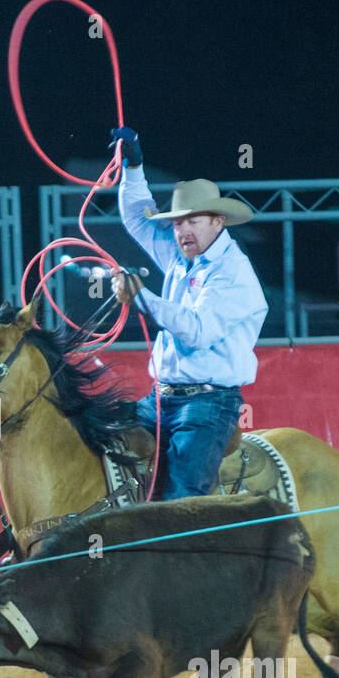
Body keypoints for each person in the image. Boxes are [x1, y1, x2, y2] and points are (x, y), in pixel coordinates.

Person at [108, 126, 267, 499]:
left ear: (218, 221)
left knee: (181, 502)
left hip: (208, 404)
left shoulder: (234, 273)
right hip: (161, 400)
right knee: (97, 439)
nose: (182, 230)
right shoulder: (183, 256)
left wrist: (142, 297)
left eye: (193, 220)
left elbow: (197, 331)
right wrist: (134, 167)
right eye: (178, 222)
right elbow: (137, 220)